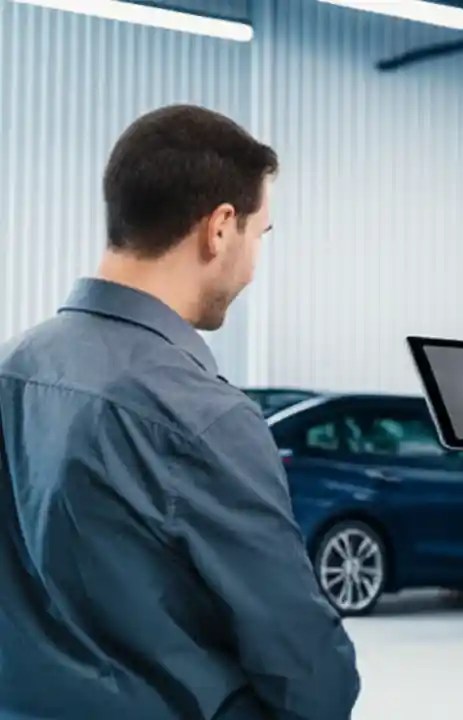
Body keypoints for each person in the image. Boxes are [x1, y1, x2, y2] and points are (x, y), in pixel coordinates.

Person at [0, 105, 360, 719]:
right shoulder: (204, 418)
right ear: (220, 228)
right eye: (260, 234)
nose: (254, 263)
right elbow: (304, 666)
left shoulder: (10, 369)